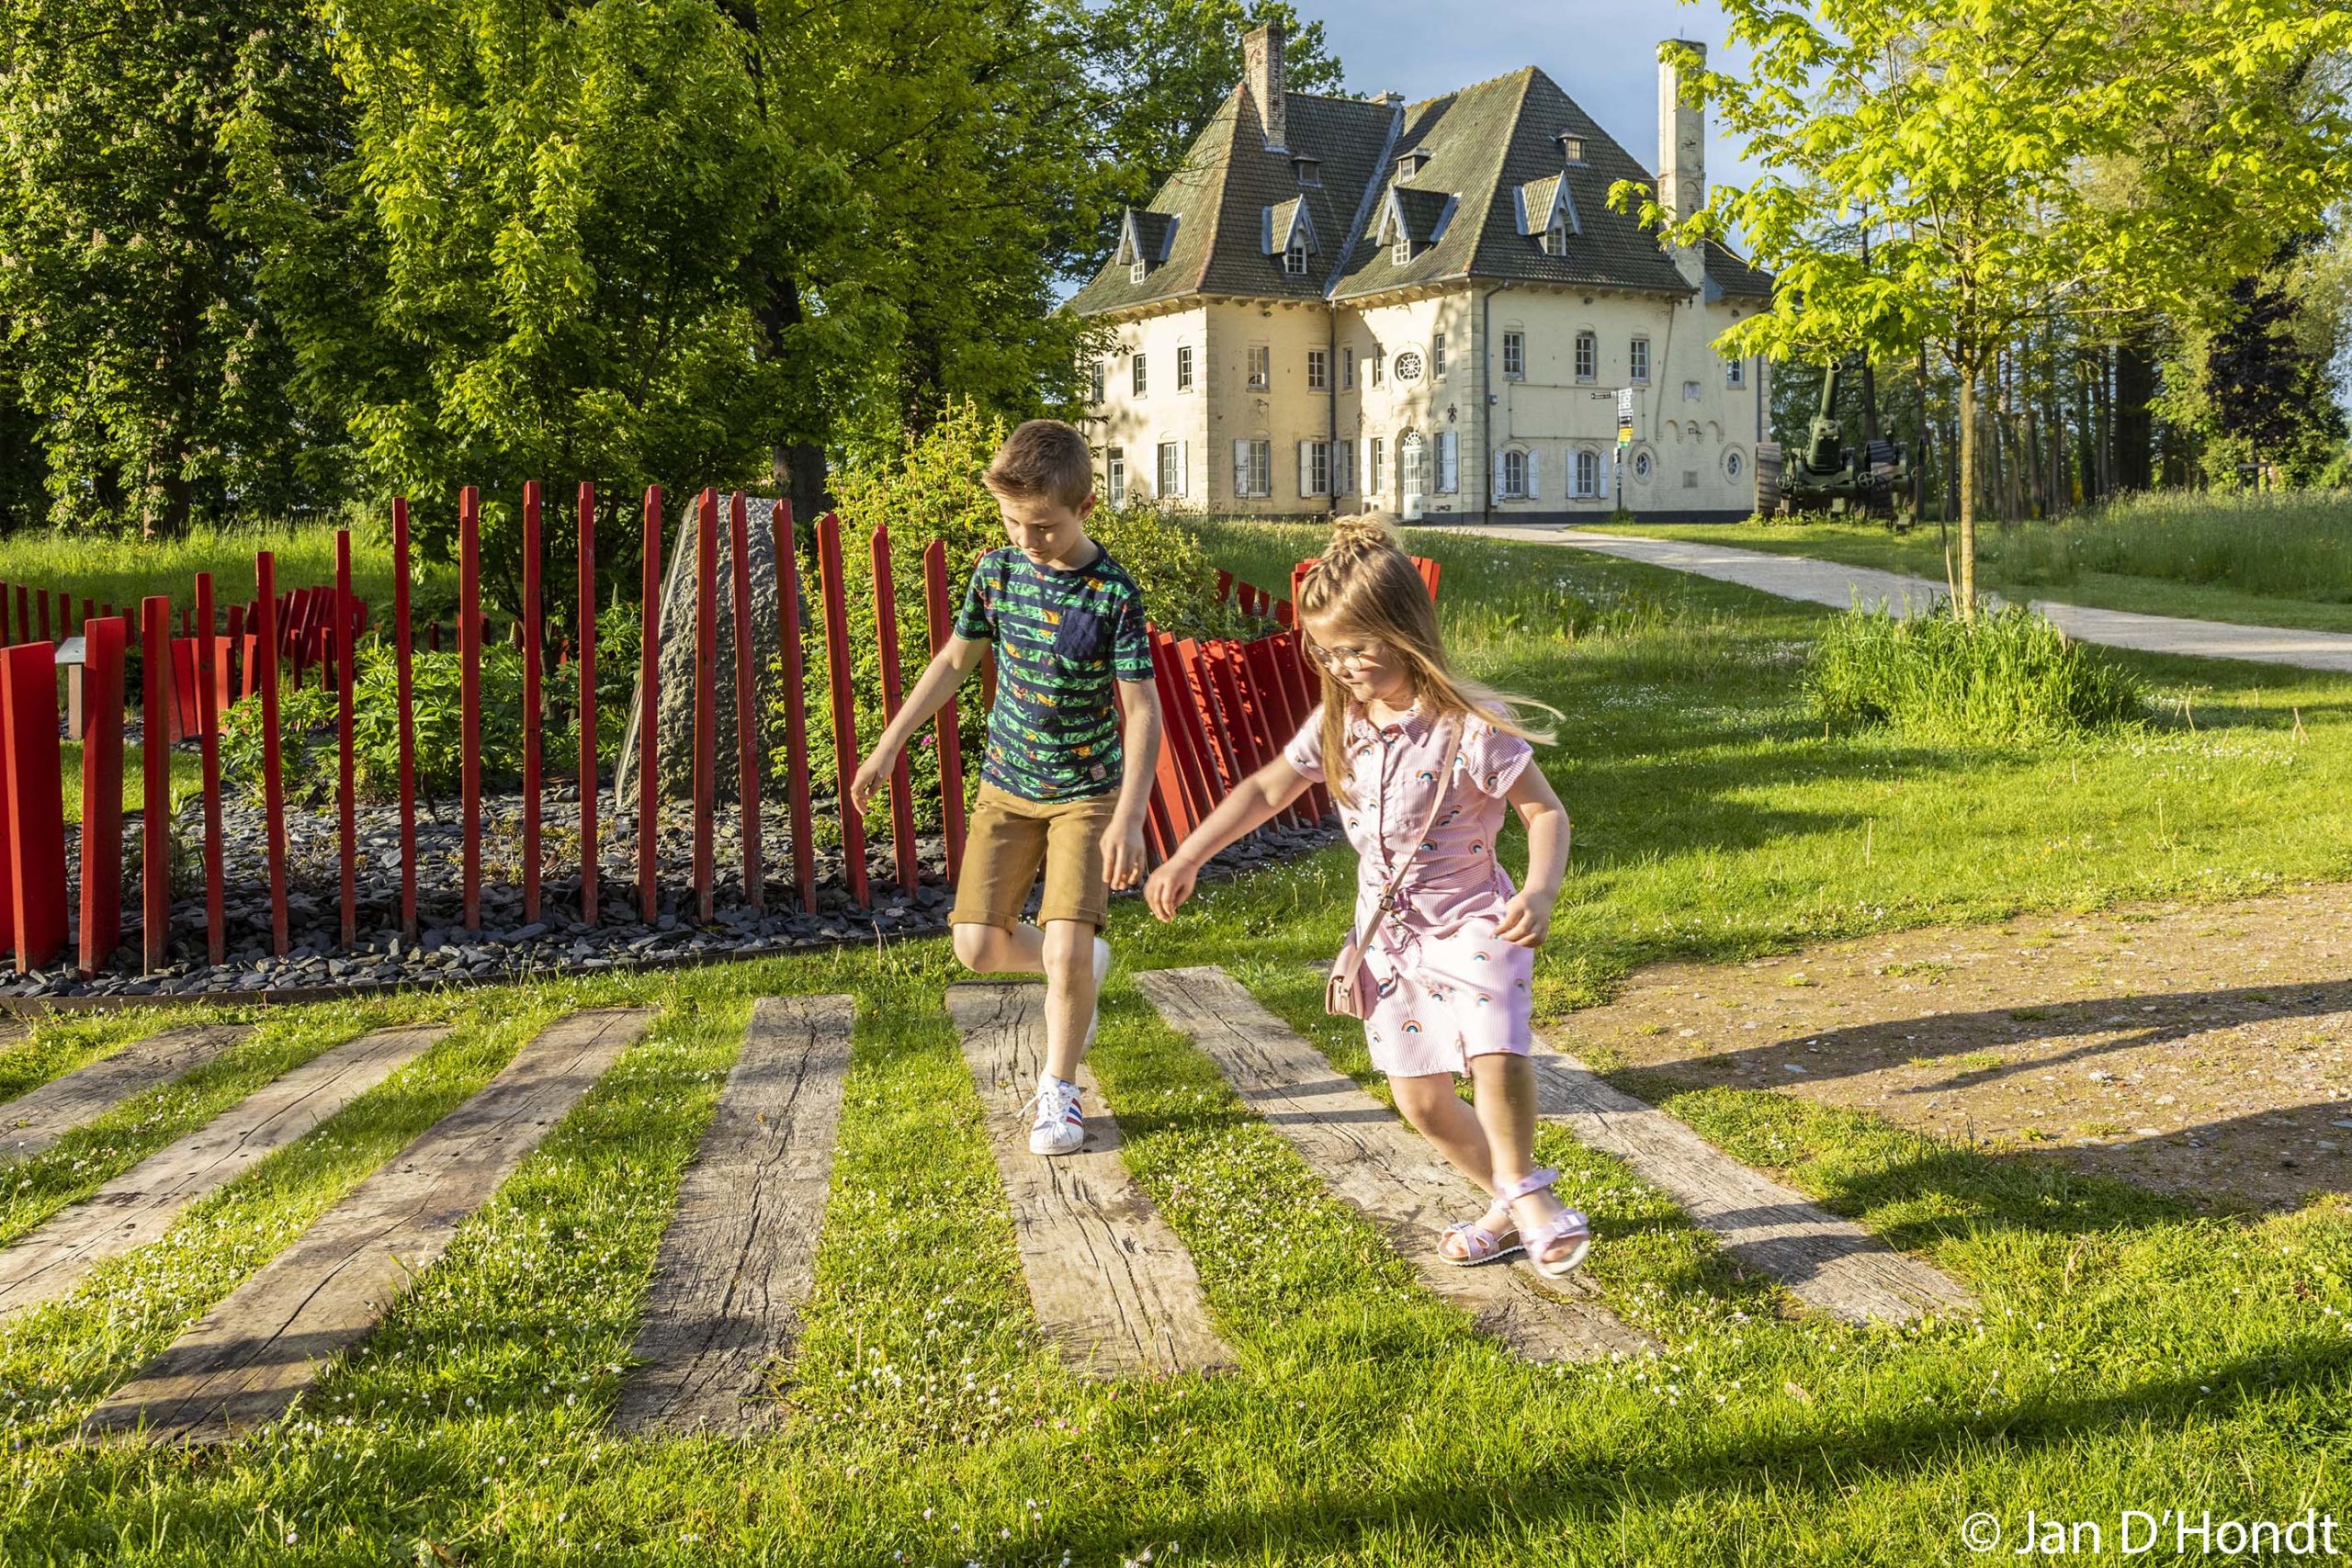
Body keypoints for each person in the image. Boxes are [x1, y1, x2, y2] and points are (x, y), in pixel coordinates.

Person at [1144, 515, 1587, 1273]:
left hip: (1475, 921)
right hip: (1386, 941)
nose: (1342, 665)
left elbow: (1544, 812)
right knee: (1419, 1101)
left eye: (1358, 647)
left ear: (1405, 628)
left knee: (1494, 1048)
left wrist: (1541, 892)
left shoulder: (1469, 726)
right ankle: (1514, 1211)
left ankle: (1527, 1188)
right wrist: (1189, 852)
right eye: (1328, 649)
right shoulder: (1339, 723)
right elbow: (1264, 790)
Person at [854, 419, 1162, 1156]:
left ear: (1085, 507)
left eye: (1045, 526)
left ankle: (1059, 1091)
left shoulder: (1113, 593)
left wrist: (1130, 814)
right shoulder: (996, 572)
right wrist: (888, 744)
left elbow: (1143, 708)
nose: (1028, 538)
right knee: (976, 945)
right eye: (1014, 522)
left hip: (1085, 791)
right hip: (1007, 783)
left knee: (1062, 948)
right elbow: (954, 664)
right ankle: (1082, 963)